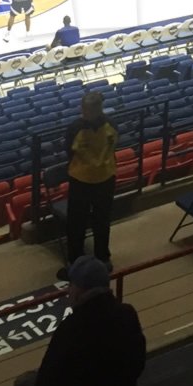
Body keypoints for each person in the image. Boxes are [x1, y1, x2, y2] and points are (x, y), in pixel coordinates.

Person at [12, 255, 145, 386]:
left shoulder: (72, 328)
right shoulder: (127, 313)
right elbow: (138, 364)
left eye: (70, 285)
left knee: (24, 384)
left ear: (78, 291)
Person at [60, 94, 117, 277]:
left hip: (81, 180)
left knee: (76, 223)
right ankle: (102, 258)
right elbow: (115, 145)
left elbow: (69, 151)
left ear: (85, 110)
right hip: (106, 178)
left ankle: (76, 261)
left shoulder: (75, 128)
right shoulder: (111, 124)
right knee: (102, 220)